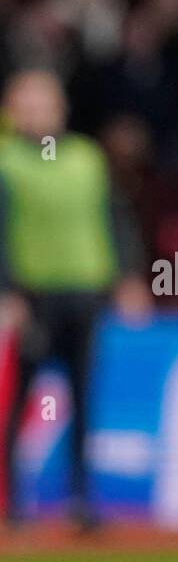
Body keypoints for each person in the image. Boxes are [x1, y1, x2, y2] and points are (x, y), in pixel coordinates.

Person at [0, 70, 127, 531]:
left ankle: (80, 500)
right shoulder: (7, 160)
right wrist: (9, 289)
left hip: (85, 291)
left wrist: (128, 273)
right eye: (26, 101)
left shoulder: (87, 158)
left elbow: (113, 214)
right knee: (20, 399)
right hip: (34, 295)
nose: (36, 110)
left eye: (43, 100)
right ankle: (13, 501)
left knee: (83, 398)